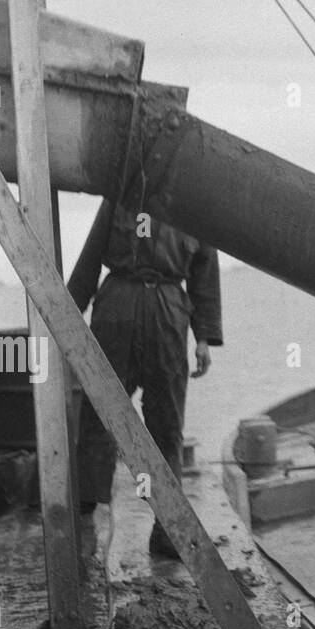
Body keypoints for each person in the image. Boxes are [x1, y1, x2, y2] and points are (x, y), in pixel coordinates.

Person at [68, 196, 222, 559]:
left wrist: (202, 338)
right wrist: (68, 318)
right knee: (101, 412)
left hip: (169, 311)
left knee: (166, 421)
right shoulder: (118, 196)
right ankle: (86, 514)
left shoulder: (196, 205)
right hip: (117, 305)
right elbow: (91, 260)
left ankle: (167, 527)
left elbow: (205, 273)